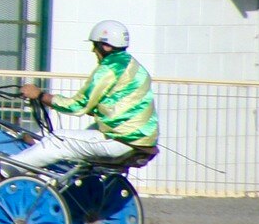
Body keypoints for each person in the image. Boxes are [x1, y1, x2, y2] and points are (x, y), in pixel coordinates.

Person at [12, 20, 158, 170]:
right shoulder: (134, 66)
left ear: (106, 46)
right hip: (141, 141)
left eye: (95, 45)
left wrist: (39, 95)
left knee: (57, 140)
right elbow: (117, 106)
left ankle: (4, 170)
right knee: (81, 139)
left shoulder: (109, 69)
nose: (93, 51)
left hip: (122, 140)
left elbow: (77, 106)